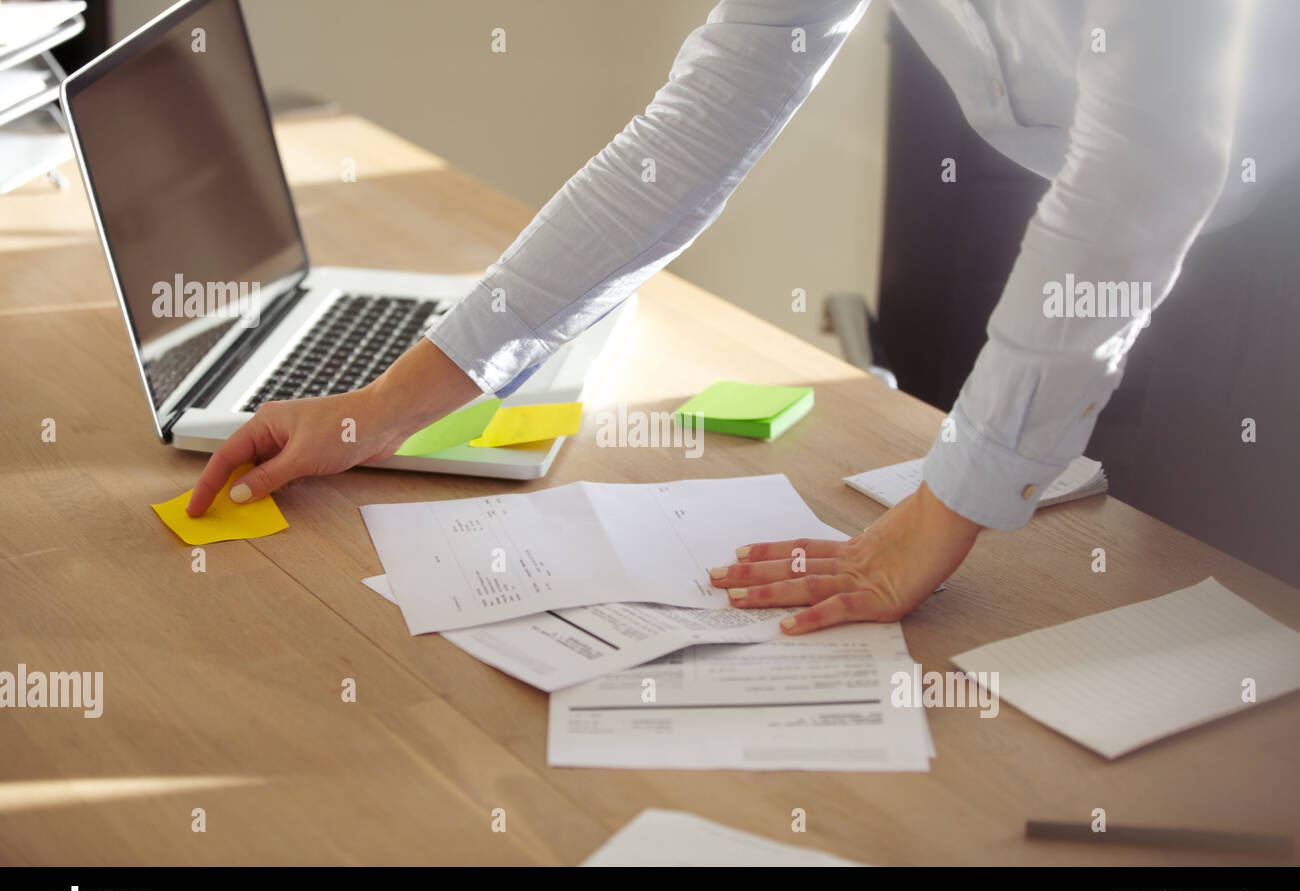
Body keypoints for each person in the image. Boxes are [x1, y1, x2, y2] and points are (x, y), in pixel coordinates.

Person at [187, 0, 1277, 633]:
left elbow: (1150, 168)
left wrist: (947, 508)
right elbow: (702, 121)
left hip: (1263, 248)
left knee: (1239, 660)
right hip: (1074, 208)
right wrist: (389, 404)